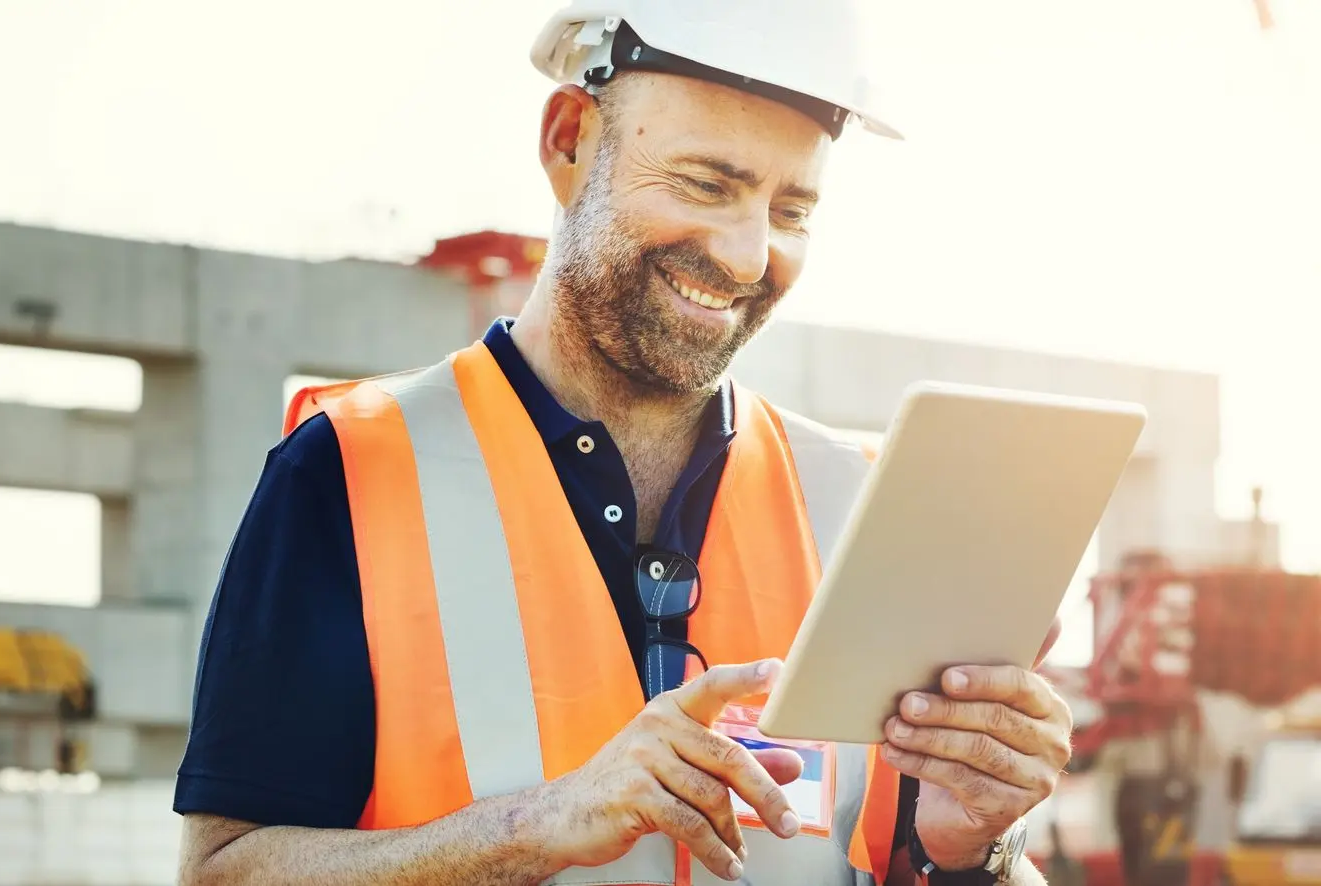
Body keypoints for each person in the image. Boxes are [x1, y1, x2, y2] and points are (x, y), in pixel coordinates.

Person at [173, 1, 1074, 883]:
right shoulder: (351, 470)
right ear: (570, 141)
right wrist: (540, 826)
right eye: (705, 184)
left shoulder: (860, 509)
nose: (748, 255)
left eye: (791, 209)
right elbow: (223, 874)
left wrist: (975, 854)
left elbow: (917, 866)